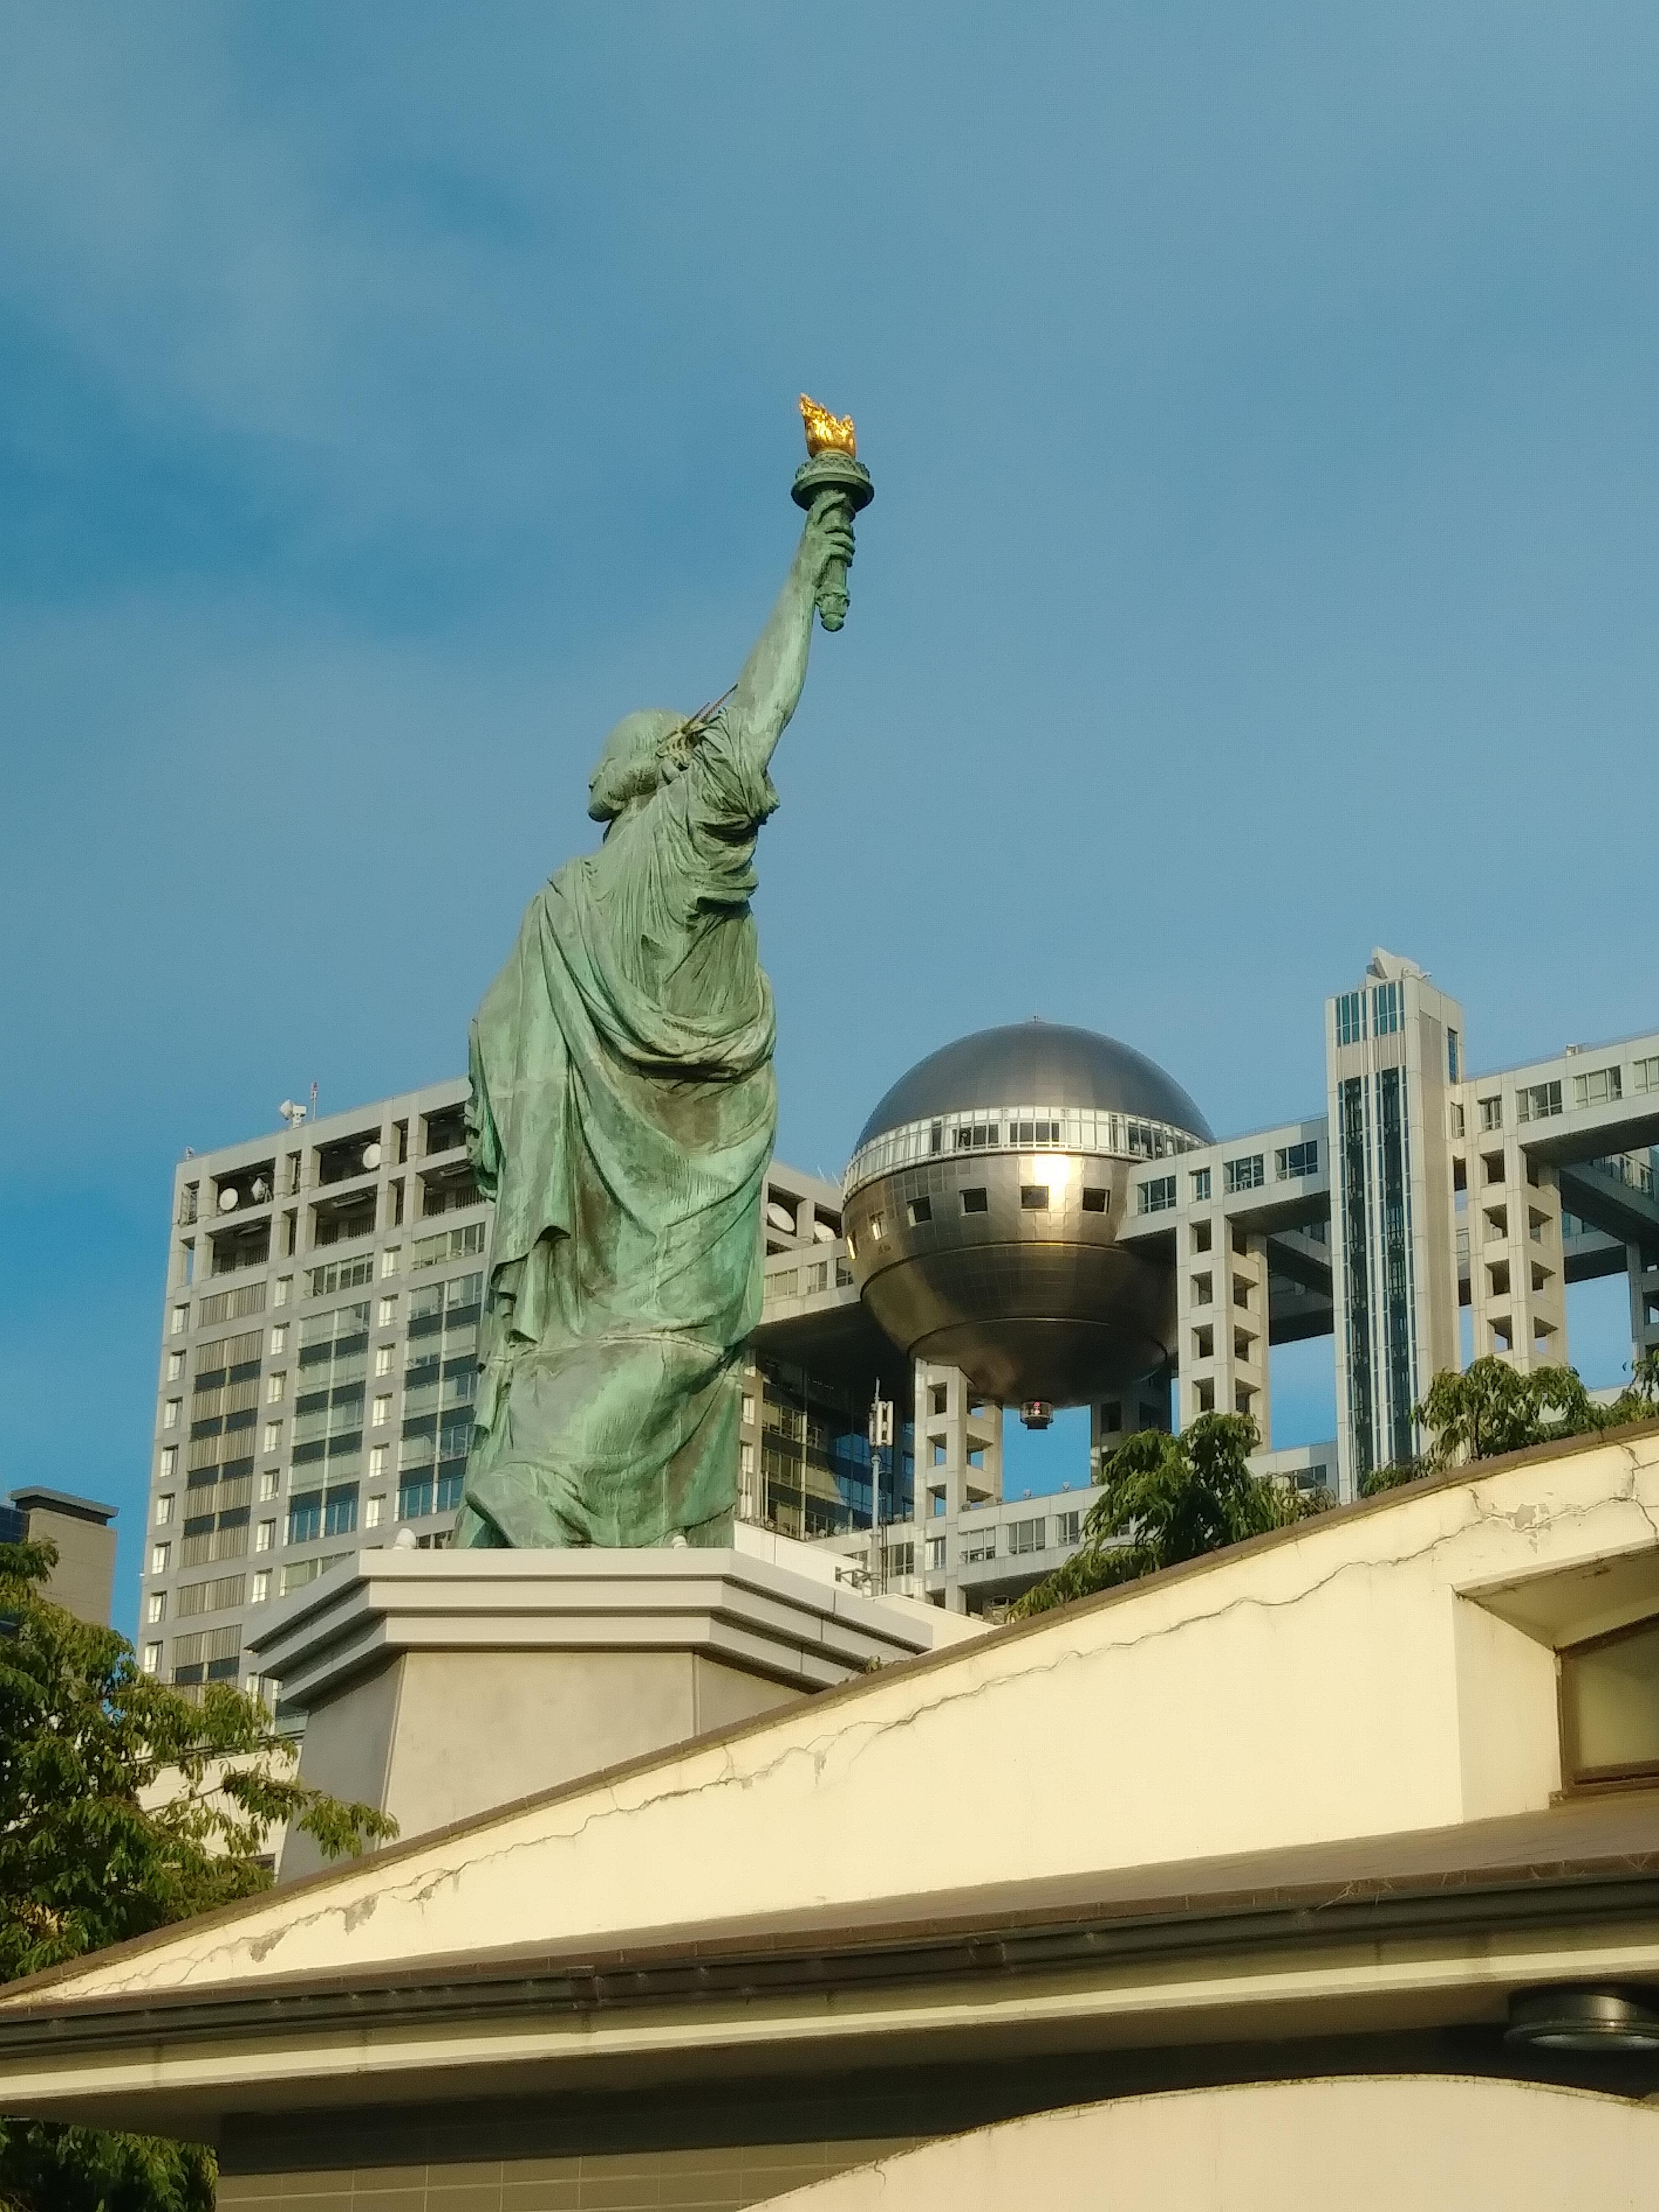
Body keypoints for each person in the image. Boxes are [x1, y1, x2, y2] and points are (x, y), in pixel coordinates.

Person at [455, 492, 856, 1548]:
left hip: (603, 1241)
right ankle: (542, 1504)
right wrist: (805, 578)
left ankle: (538, 1506)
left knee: (619, 1382)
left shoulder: (562, 903)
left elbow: (496, 1060)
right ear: (667, 777)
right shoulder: (668, 851)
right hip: (673, 1228)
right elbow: (760, 710)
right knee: (656, 1367)